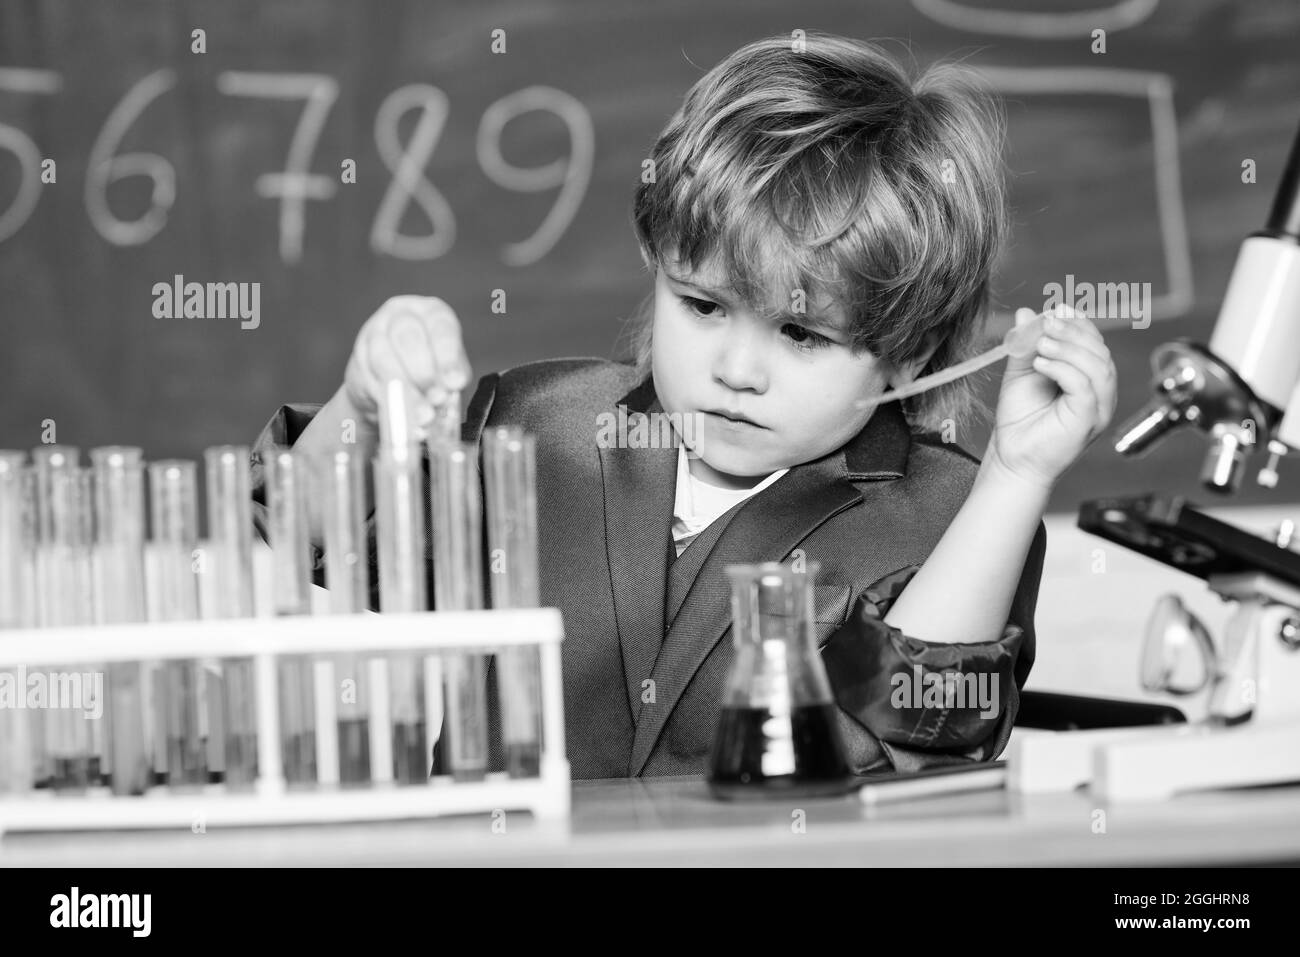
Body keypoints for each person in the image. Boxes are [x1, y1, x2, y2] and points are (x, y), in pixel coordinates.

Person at [251, 31, 1117, 779]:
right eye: (702, 305)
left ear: (908, 351)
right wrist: (365, 407)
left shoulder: (948, 517)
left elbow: (923, 733)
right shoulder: (533, 426)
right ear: (656, 263)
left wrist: (1013, 475)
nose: (738, 368)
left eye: (802, 334)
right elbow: (302, 539)